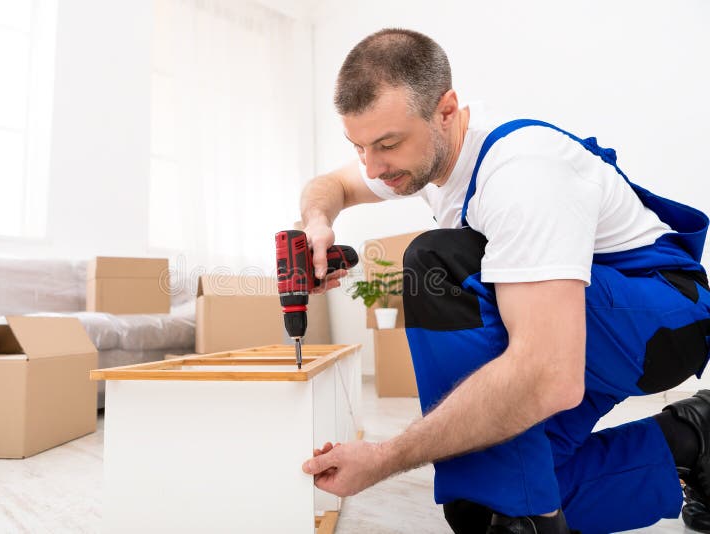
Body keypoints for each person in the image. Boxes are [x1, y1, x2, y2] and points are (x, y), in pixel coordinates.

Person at [299, 28, 710, 534]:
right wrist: (317, 223)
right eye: (359, 146)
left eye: (387, 144)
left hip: (662, 321)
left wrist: (384, 459)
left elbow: (549, 376)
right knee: (489, 504)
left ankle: (527, 516)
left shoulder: (523, 174)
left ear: (446, 110)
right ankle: (692, 440)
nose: (373, 166)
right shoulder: (416, 155)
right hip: (590, 315)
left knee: (438, 262)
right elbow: (332, 185)